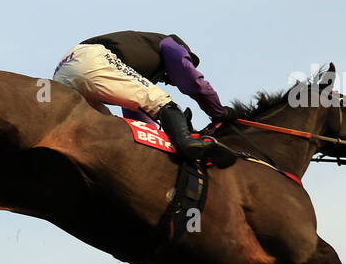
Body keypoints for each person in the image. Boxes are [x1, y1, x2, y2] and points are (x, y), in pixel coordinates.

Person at [53, 31, 237, 167]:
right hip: (92, 60)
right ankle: (188, 145)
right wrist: (220, 113)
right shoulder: (170, 44)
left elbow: (140, 119)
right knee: (163, 101)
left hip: (63, 73)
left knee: (107, 131)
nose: (169, 82)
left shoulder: (135, 61)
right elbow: (192, 81)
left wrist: (170, 134)